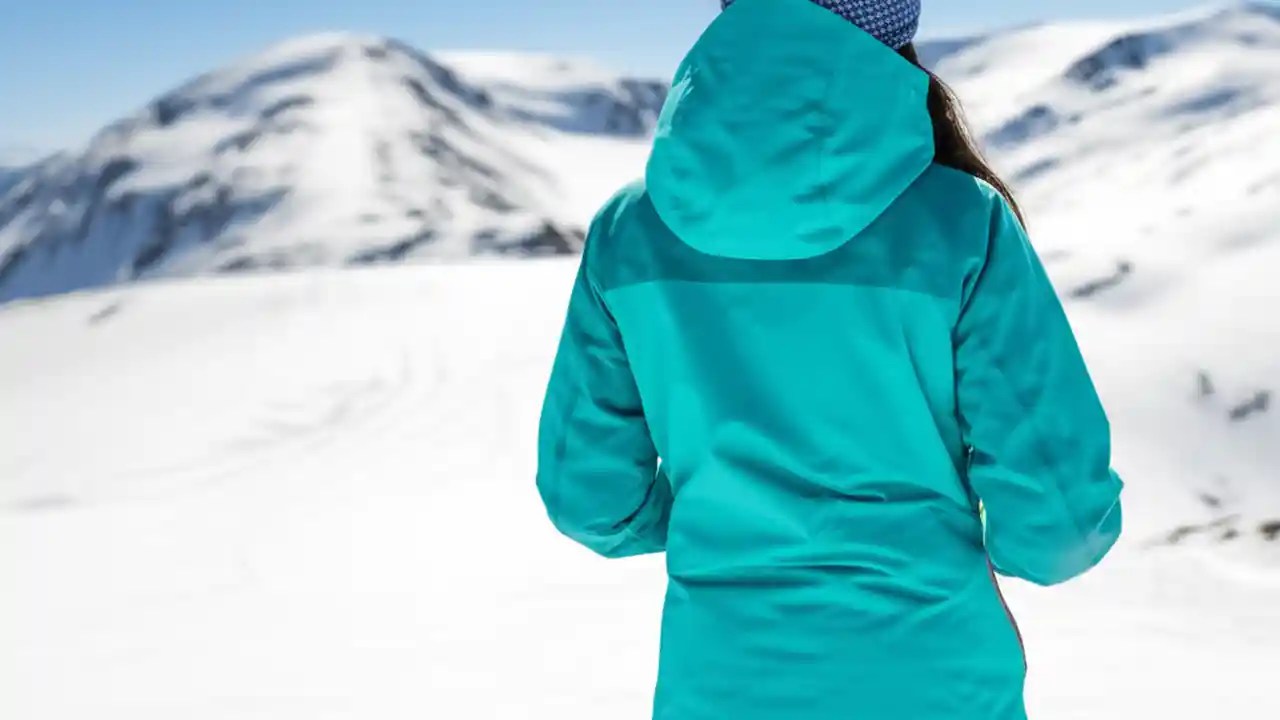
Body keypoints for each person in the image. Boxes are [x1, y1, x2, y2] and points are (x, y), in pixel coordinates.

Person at [535, 0, 1124, 717]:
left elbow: (589, 498)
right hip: (935, 682)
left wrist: (720, 523)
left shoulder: (629, 233)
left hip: (719, 683)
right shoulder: (963, 221)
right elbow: (1059, 526)